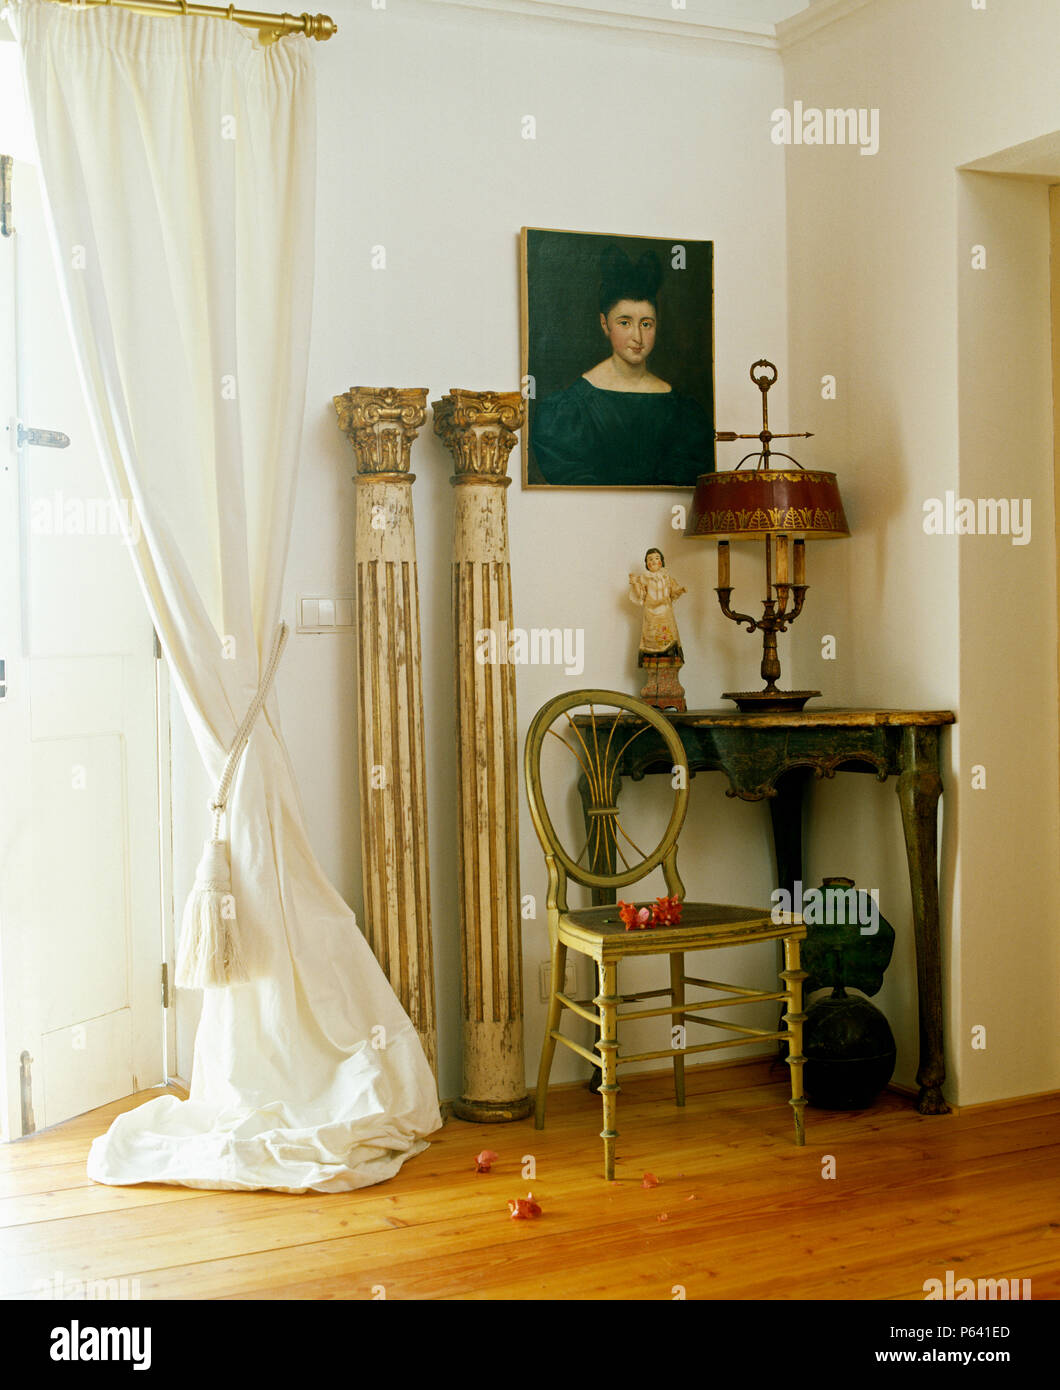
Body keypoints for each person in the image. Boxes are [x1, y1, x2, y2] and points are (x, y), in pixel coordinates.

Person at [531, 246, 714, 486]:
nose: (637, 337)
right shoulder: (570, 409)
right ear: (605, 324)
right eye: (625, 322)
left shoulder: (681, 411)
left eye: (646, 324)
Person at [628, 548, 685, 665]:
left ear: (661, 562)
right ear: (646, 563)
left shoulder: (666, 577)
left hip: (665, 610)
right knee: (652, 633)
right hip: (651, 611)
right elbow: (641, 595)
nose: (654, 561)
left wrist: (680, 590)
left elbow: (673, 591)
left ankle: (667, 652)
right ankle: (653, 652)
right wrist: (634, 583)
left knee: (667, 632)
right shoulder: (644, 578)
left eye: (656, 558)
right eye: (650, 559)